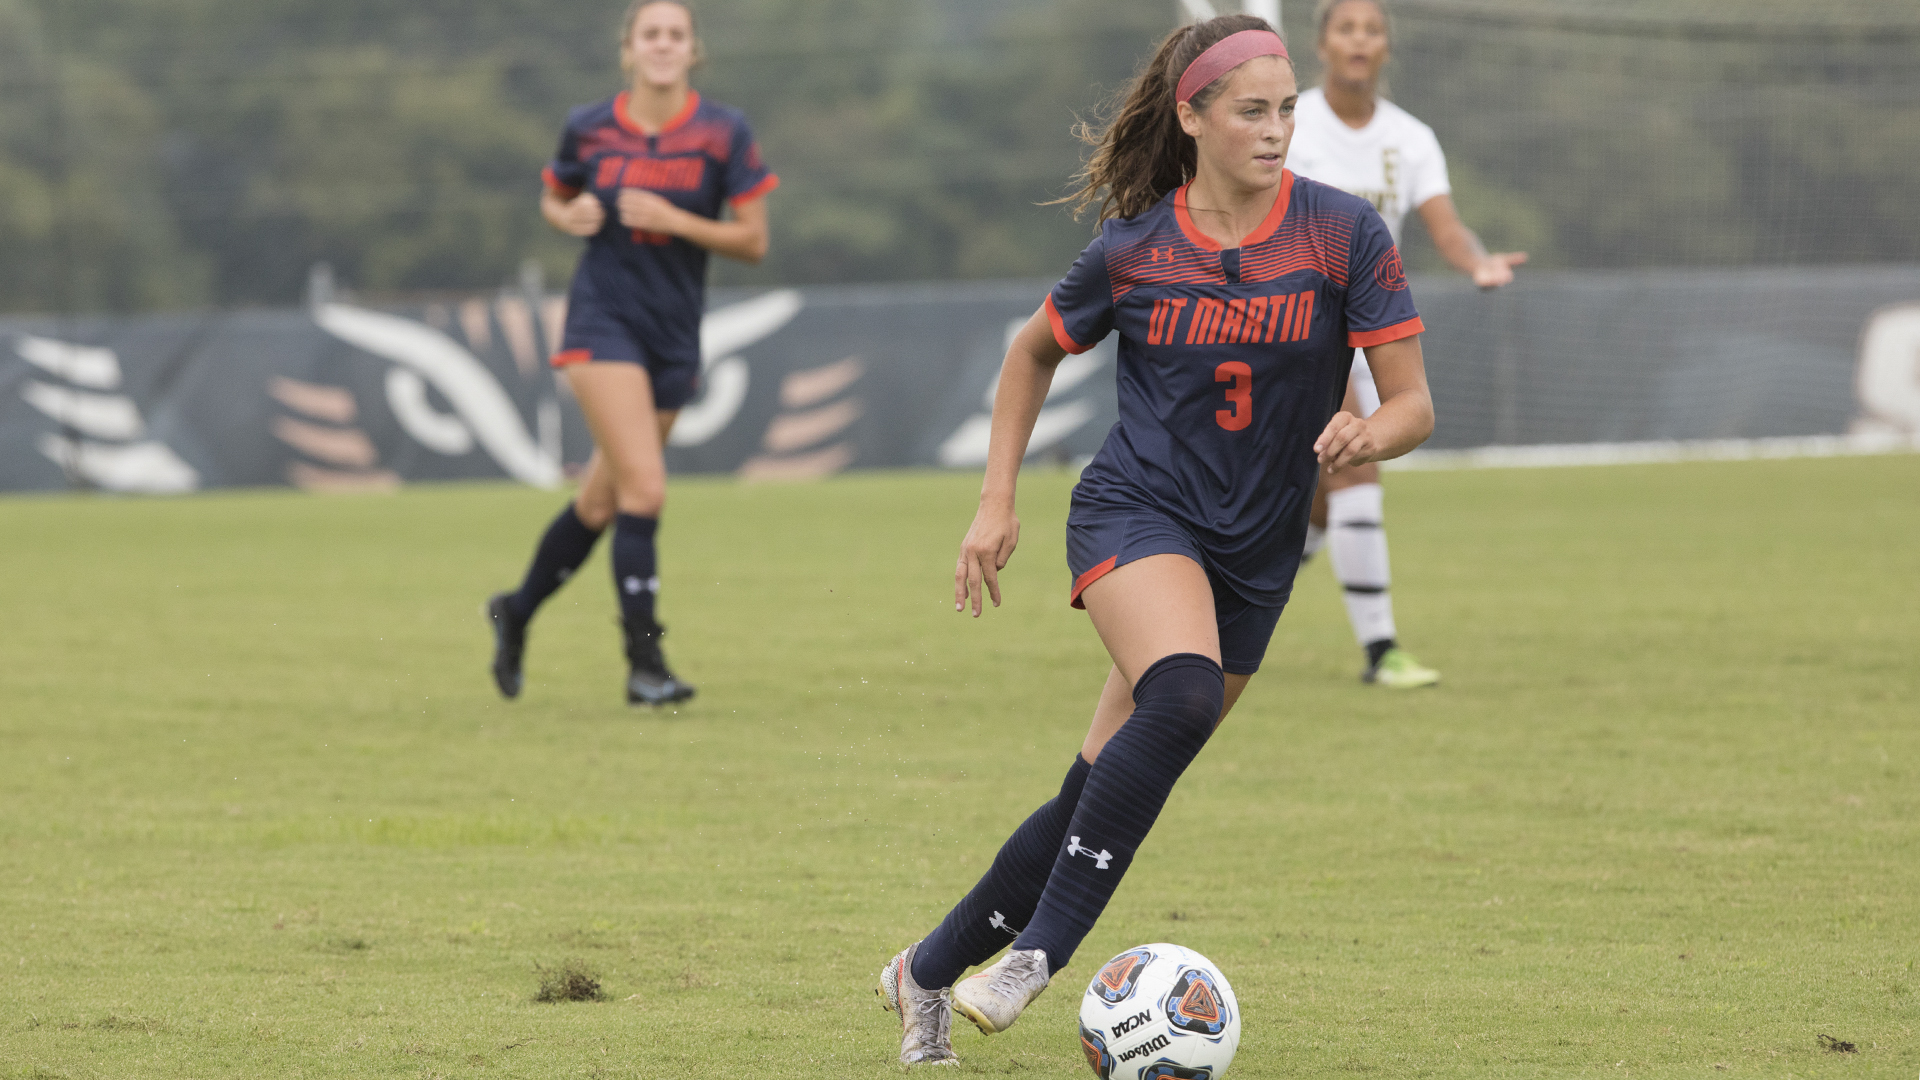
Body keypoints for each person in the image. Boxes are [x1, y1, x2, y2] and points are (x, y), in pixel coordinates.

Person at [876, 15, 1433, 1065]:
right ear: (1193, 116)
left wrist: (1372, 431)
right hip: (1138, 513)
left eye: (1287, 111)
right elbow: (1030, 353)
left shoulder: (1344, 234)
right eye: (1253, 112)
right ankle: (1040, 956)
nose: (1277, 131)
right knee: (1177, 694)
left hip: (1260, 553)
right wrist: (996, 502)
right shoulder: (1135, 250)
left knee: (1097, 790)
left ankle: (924, 969)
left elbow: (1413, 403)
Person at [485, 0, 777, 706]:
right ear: (629, 50)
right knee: (643, 489)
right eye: (651, 33)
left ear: (692, 50)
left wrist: (676, 218)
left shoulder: (722, 131)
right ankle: (645, 663)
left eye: (676, 34)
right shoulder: (589, 127)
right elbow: (555, 197)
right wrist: (569, 215)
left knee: (602, 500)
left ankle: (516, 611)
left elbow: (754, 241)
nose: (663, 44)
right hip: (602, 323)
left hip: (674, 331)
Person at [1285, 0, 1527, 688]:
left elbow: (1447, 227)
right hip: (1297, 325)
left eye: (1373, 29)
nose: (1360, 39)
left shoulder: (1411, 137)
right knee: (1356, 467)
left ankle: (1232, 601)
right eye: (1346, 27)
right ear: (1324, 43)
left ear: (1386, 48)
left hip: (1370, 323)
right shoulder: (1291, 124)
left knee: (1326, 501)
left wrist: (1476, 260)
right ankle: (1381, 651)